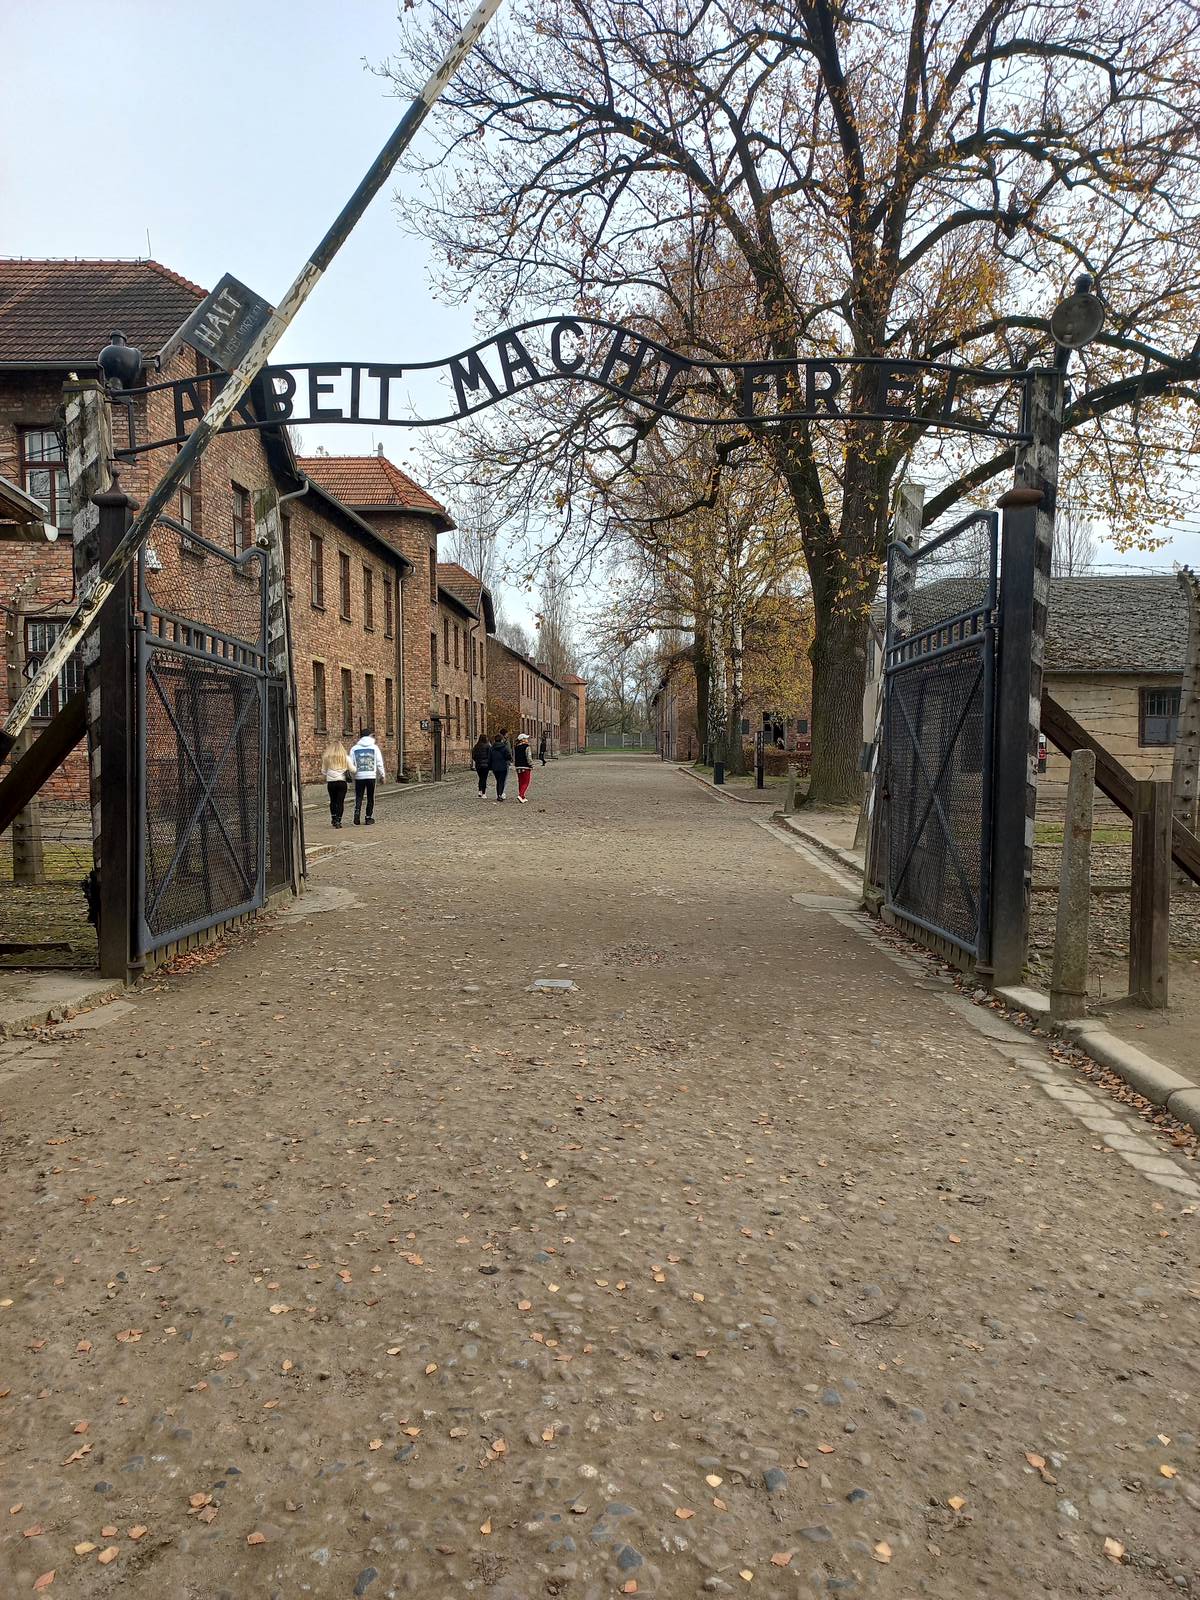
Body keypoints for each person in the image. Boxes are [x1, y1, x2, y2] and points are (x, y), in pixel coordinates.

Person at [347, 725, 386, 825]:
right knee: (370, 797)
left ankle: (357, 814)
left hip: (359, 776)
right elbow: (379, 763)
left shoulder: (354, 749)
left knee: (359, 796)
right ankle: (368, 817)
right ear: (369, 736)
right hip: (371, 776)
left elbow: (350, 763)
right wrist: (382, 775)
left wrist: (353, 774)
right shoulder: (374, 748)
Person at [320, 739, 353, 828]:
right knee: (340, 802)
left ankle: (333, 818)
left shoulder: (327, 757)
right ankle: (338, 820)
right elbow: (352, 769)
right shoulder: (345, 757)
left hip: (331, 782)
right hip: (342, 782)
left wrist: (330, 773)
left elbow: (323, 771)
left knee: (333, 801)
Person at [488, 729, 512, 802]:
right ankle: (500, 794)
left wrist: (490, 766)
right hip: (503, 767)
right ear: (501, 740)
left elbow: (489, 758)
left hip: (495, 767)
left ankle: (499, 794)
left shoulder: (491, 748)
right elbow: (508, 756)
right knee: (501, 781)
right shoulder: (504, 748)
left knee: (498, 780)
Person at [514, 731, 534, 803]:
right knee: (526, 782)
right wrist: (531, 764)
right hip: (525, 766)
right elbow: (529, 757)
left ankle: (522, 796)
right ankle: (521, 795)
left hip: (518, 766)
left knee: (520, 781)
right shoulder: (527, 747)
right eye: (525, 738)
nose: (527, 739)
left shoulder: (516, 747)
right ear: (522, 739)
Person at [472, 732, 492, 798]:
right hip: (485, 765)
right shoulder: (488, 746)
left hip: (478, 765)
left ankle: (480, 791)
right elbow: (490, 755)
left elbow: (473, 756)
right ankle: (483, 793)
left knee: (480, 778)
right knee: (484, 779)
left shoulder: (476, 746)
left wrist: (477, 761)